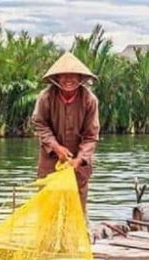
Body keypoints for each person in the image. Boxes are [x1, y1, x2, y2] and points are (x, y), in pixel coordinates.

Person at [30, 52, 100, 215]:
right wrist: (55, 147)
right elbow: (39, 123)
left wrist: (80, 159)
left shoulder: (89, 100)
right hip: (50, 158)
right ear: (57, 78)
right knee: (47, 203)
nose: (69, 80)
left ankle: (76, 237)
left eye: (73, 76)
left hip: (78, 160)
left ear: (80, 77)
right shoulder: (45, 97)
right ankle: (47, 239)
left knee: (76, 204)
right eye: (64, 76)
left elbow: (91, 135)